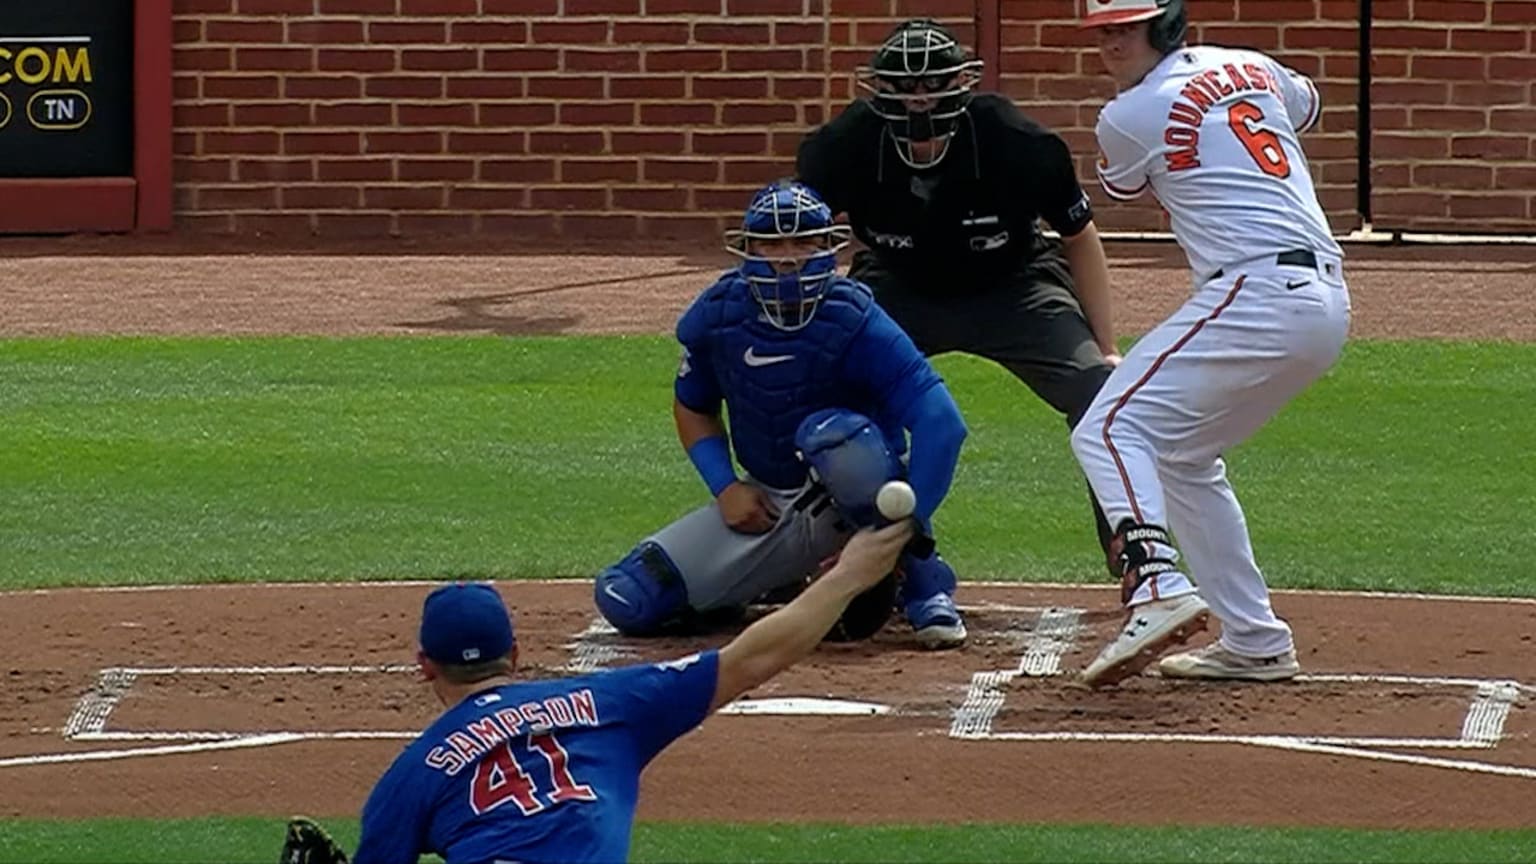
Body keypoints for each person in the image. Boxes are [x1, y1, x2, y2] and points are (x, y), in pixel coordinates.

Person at [276, 521, 915, 864]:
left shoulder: (411, 775)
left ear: (424, 666)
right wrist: (851, 575)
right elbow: (756, 657)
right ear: (517, 655)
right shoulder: (613, 704)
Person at [1072, 0, 1351, 687]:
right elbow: (1306, 103)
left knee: (1106, 427)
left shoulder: (1127, 115)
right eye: (1103, 30)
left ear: (1162, 25)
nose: (1111, 42)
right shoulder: (1248, 63)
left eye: (1126, 28)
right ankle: (1254, 639)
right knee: (1184, 459)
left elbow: (1126, 183)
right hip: (1321, 303)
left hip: (1256, 290)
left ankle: (1157, 586)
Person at [796, 17, 1122, 578]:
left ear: (962, 85)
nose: (919, 102)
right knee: (826, 387)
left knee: (1101, 390)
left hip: (1015, 284)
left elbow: (1079, 235)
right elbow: (803, 241)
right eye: (904, 87)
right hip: (896, 282)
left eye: (933, 86)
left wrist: (1107, 345)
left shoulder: (1019, 143)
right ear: (878, 90)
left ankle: (1132, 549)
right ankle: (852, 550)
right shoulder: (840, 149)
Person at [592, 179, 971, 649]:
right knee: (628, 597)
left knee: (836, 439)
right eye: (771, 242)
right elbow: (693, 406)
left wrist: (906, 527)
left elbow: (942, 423)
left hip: (853, 501)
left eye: (802, 241)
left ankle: (920, 579)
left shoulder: (857, 320)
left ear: (827, 247)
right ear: (747, 249)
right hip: (769, 501)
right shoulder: (718, 315)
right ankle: (765, 578)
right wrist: (725, 487)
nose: (786, 256)